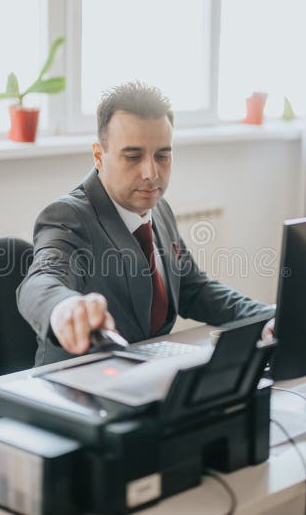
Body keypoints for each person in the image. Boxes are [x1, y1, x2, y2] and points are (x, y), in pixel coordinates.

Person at [17, 81, 274, 366]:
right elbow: (40, 280)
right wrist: (63, 307)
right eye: (133, 156)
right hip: (79, 383)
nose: (151, 173)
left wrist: (264, 316)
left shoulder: (159, 209)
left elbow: (193, 288)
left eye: (162, 155)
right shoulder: (68, 216)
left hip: (146, 375)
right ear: (99, 156)